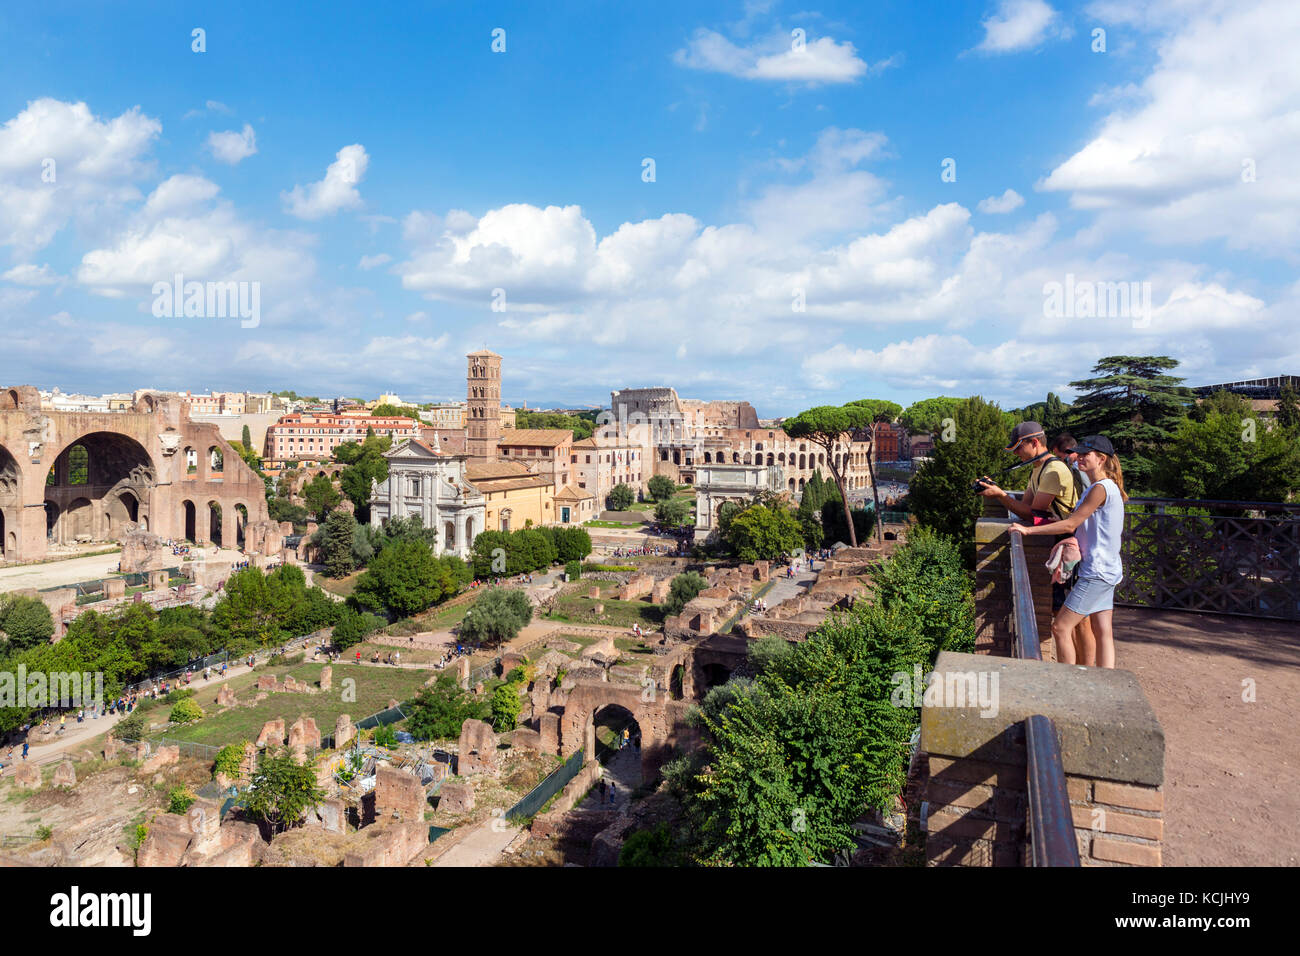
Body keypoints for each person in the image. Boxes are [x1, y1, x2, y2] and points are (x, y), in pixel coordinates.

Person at [1009, 436, 1127, 668]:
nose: (1079, 458)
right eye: (1079, 453)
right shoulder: (1103, 487)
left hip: (1096, 572)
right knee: (1103, 630)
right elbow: (1084, 524)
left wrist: (1027, 531)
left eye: (1086, 455)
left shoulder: (1100, 489)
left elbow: (1071, 524)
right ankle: (1107, 681)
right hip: (1107, 569)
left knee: (1060, 627)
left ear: (1101, 459)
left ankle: (1068, 681)